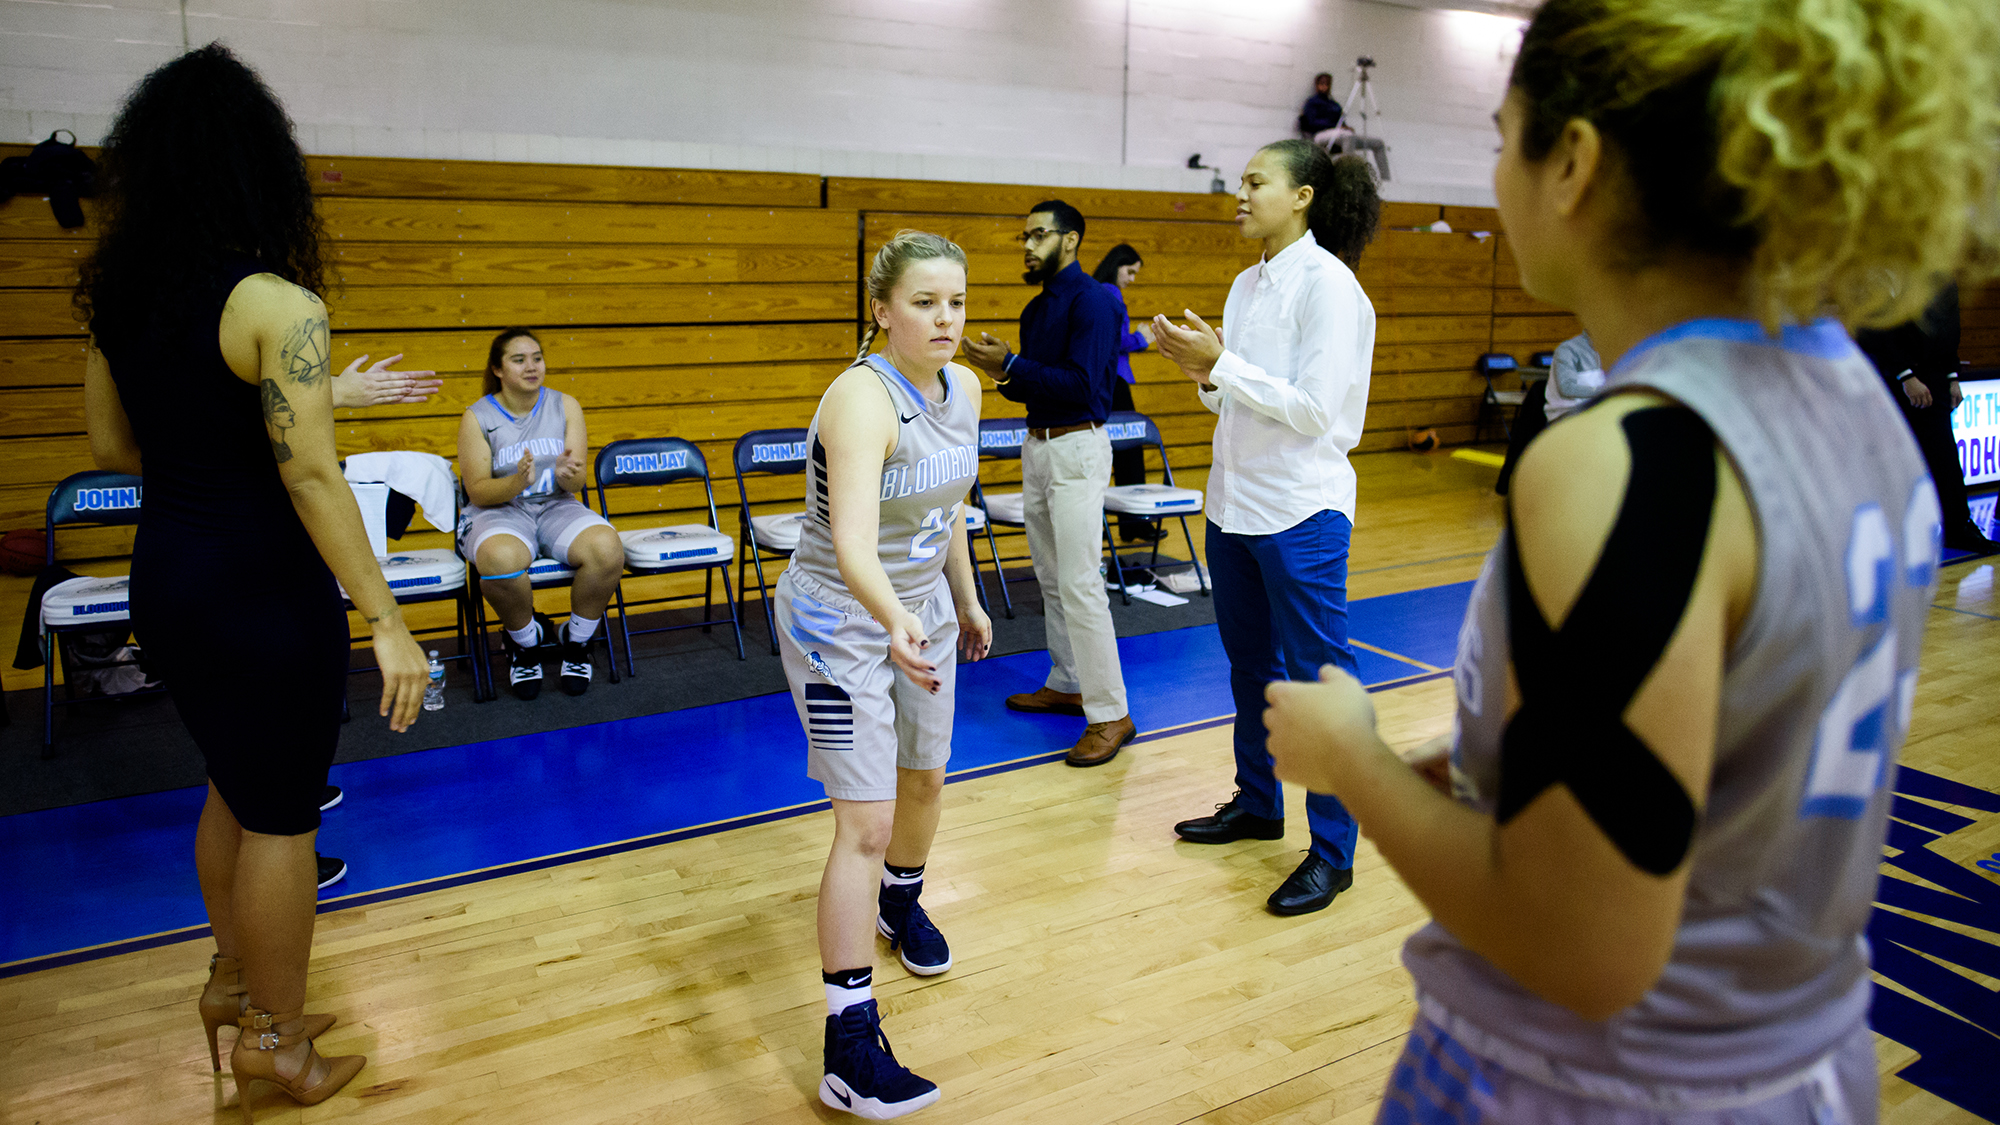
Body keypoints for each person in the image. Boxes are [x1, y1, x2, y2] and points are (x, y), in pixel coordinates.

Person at [1261, 0, 1995, 1119]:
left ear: (1575, 165)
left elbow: (1584, 950)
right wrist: (1499, 766)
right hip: (1800, 1066)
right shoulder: (1854, 401)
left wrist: (1351, 762)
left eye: (1503, 140)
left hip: (1595, 1088)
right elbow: (1738, 743)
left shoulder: (1626, 459)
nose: (1495, 172)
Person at [77, 44, 429, 1119]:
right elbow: (311, 474)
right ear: (256, 167)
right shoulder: (278, 302)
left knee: (233, 785)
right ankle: (277, 1043)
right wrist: (387, 618)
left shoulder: (122, 297)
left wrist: (225, 456)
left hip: (170, 573)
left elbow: (110, 445)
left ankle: (237, 988)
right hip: (263, 588)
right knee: (282, 814)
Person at [772, 230, 992, 1118]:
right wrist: (895, 617)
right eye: (926, 303)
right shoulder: (861, 401)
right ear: (882, 310)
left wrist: (964, 602)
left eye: (958, 303)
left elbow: (949, 514)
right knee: (864, 820)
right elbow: (853, 544)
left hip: (921, 610)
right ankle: (848, 1042)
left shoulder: (967, 388)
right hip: (840, 617)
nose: (946, 320)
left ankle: (903, 903)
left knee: (926, 781)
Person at [1151, 143, 1380, 917]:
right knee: (1250, 670)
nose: (1239, 194)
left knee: (1319, 684)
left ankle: (1333, 852)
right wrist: (1203, 371)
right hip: (1234, 504)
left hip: (1303, 509)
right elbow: (1243, 397)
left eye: (1255, 182)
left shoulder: (1331, 288)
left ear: (1303, 195)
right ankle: (1259, 802)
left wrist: (1226, 366)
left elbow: (1316, 410)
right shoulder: (1248, 284)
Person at [962, 200, 1135, 766]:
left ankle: (1111, 713)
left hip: (1079, 447)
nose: (1029, 246)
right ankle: (1067, 680)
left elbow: (1084, 387)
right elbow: (1035, 387)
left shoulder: (1097, 303)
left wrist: (1012, 365)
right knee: (1052, 578)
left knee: (1082, 583)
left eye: (1039, 235)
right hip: (1037, 447)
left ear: (1072, 240)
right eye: (1025, 236)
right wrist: (1002, 370)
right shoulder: (1037, 310)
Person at [456, 328, 627, 699]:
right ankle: (525, 642)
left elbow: (576, 480)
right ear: (498, 369)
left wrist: (570, 475)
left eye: (537, 358)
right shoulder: (478, 417)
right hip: (497, 510)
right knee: (500, 559)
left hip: (555, 505)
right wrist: (516, 482)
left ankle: (577, 642)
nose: (531, 367)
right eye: (519, 360)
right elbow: (478, 490)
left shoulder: (565, 405)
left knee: (608, 548)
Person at [1857, 284, 1999, 555]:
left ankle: (1957, 527)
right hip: (1897, 379)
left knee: (1944, 456)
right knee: (1895, 458)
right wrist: (1905, 375)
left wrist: (1952, 376)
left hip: (1934, 377)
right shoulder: (1890, 271)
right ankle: (1893, 531)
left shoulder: (1944, 278)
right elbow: (1875, 330)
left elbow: (1949, 330)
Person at [1091, 243, 1163, 543]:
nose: (1131, 279)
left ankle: (1123, 525)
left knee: (1111, 451)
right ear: (1117, 264)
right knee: (1130, 451)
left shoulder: (1093, 292)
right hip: (1115, 380)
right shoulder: (1110, 292)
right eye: (1129, 271)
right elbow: (1113, 341)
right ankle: (1136, 524)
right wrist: (1142, 338)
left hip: (1101, 382)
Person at [1542, 331, 1605, 422]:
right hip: (1568, 418)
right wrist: (1604, 391)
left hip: (1597, 413)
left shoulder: (1613, 348)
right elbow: (1566, 388)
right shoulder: (1568, 349)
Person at [1299, 72, 1344, 146]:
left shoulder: (1334, 105)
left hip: (1335, 133)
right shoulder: (1312, 102)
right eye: (1322, 84)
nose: (1325, 87)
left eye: (1327, 84)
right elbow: (1312, 123)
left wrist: (1345, 127)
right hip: (1319, 134)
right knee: (1347, 136)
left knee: (1351, 135)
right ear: (1317, 85)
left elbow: (1340, 120)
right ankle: (1347, 157)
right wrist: (1333, 126)